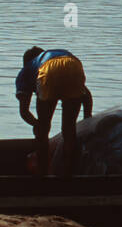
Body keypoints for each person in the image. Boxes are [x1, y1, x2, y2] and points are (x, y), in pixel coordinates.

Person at [15, 47, 93, 177]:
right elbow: (86, 95)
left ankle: (43, 174)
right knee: (69, 129)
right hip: (74, 64)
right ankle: (69, 173)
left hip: (48, 71)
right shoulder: (53, 56)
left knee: (43, 130)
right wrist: (87, 118)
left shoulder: (26, 70)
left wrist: (37, 125)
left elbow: (24, 111)